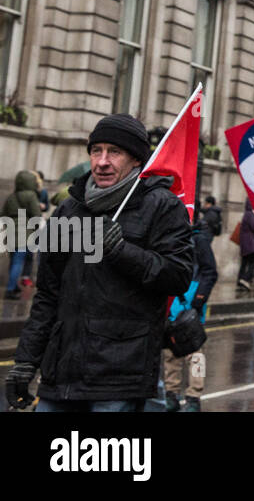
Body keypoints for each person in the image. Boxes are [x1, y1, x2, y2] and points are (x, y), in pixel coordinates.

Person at [4, 114, 193, 412]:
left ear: (135, 160)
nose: (102, 161)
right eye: (96, 150)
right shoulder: (69, 209)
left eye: (114, 152)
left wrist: (120, 250)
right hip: (60, 376)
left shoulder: (163, 206)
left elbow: (177, 275)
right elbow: (47, 295)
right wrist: (26, 361)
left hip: (118, 379)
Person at [163, 213, 218, 412]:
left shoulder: (199, 239)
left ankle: (194, 396)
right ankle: (172, 394)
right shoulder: (166, 236)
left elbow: (210, 271)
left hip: (190, 303)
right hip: (170, 303)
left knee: (195, 354)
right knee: (170, 353)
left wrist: (199, 299)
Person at [3, 170, 42, 299]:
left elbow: (3, 215)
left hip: (10, 231)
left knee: (14, 261)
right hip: (24, 232)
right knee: (18, 262)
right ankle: (10, 289)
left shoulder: (11, 197)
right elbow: (37, 215)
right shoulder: (31, 196)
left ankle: (13, 286)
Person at [236, 200, 254, 293]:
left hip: (246, 243)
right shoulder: (250, 214)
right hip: (250, 243)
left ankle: (240, 281)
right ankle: (245, 279)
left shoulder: (246, 214)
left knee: (244, 262)